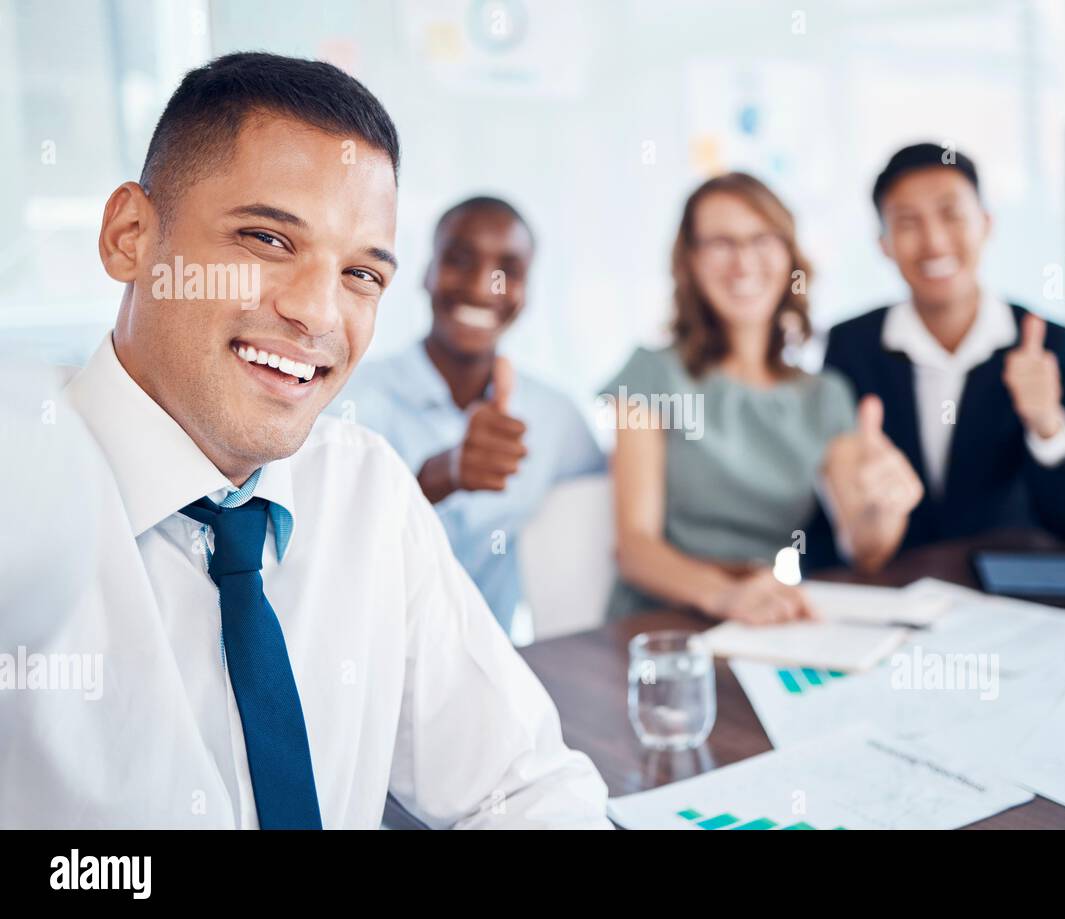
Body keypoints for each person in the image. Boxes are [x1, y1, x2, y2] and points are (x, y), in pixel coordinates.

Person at [0, 52, 608, 829]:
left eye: (361, 274)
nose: (319, 314)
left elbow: (528, 785)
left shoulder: (365, 492)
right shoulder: (23, 493)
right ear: (130, 236)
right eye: (267, 238)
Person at [809, 143, 1065, 572]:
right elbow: (836, 517)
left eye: (951, 215)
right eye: (908, 222)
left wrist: (1047, 424)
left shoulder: (1048, 343)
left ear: (985, 224)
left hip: (1009, 590)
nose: (934, 241)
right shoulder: (851, 344)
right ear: (884, 244)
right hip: (893, 585)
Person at [601, 172, 878, 623]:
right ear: (689, 261)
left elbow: (864, 546)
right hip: (666, 621)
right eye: (720, 243)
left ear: (789, 254)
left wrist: (884, 509)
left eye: (762, 239)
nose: (743, 262)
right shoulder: (651, 375)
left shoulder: (825, 395)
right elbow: (635, 547)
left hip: (771, 618)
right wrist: (724, 597)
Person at [335, 197, 604, 634]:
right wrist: (440, 476)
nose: (483, 287)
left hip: (492, 662)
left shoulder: (554, 417)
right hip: (362, 654)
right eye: (459, 259)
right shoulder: (347, 398)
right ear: (425, 273)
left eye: (508, 271)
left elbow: (607, 512)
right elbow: (320, 543)